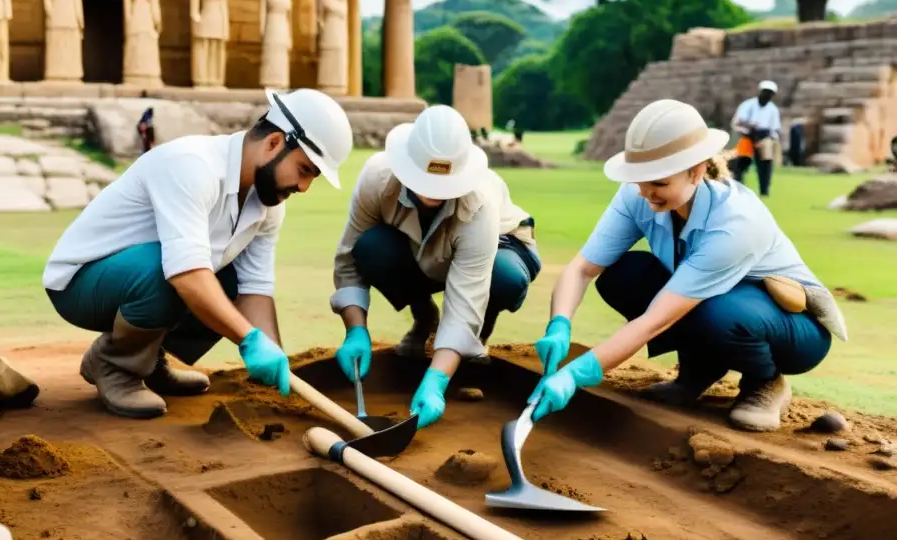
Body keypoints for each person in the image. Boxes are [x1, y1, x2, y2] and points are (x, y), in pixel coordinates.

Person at [528, 99, 847, 432]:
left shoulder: (735, 224)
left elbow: (655, 320)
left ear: (696, 170)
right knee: (623, 275)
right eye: (639, 179)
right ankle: (698, 372)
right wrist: (559, 325)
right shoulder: (637, 193)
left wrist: (574, 376)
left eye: (660, 183)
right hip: (716, 303)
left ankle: (765, 382)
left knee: (720, 312)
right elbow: (583, 268)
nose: (646, 193)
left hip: (794, 329)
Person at [42, 89, 354, 419]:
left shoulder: (267, 205)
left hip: (145, 280)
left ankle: (148, 358)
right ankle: (116, 364)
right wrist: (249, 341)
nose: (304, 187)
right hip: (82, 285)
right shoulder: (193, 165)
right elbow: (187, 274)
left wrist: (274, 357)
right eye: (304, 170)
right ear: (275, 143)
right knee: (177, 271)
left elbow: (254, 289)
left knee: (227, 279)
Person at [331, 105, 541, 429]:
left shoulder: (479, 203)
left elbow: (467, 296)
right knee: (372, 248)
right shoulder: (377, 177)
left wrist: (436, 381)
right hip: (423, 251)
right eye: (423, 179)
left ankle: (477, 340)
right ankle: (425, 319)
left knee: (504, 278)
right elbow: (348, 260)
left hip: (504, 244)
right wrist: (355, 329)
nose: (432, 190)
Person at [728, 80, 781, 196]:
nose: (767, 95)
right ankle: (738, 186)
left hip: (764, 138)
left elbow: (775, 128)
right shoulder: (748, 105)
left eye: (770, 93)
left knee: (765, 164)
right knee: (740, 163)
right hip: (747, 137)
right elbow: (740, 122)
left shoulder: (773, 109)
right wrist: (750, 127)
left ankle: (764, 190)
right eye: (765, 92)